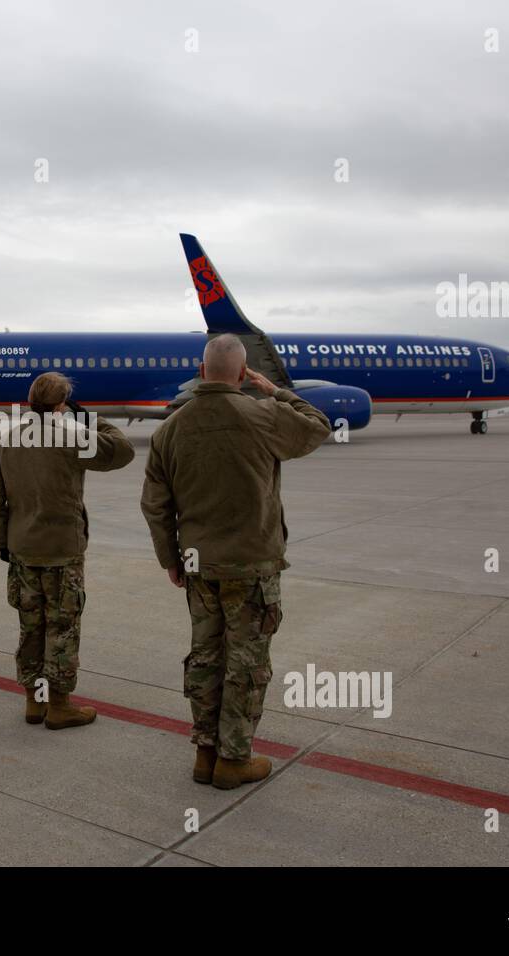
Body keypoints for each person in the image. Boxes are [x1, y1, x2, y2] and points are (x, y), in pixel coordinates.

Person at [140, 334, 331, 790]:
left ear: (202, 372)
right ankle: (234, 758)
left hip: (197, 563)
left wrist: (170, 556)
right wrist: (276, 390)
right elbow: (318, 424)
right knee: (246, 662)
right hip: (252, 565)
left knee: (205, 656)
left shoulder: (170, 428)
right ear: (243, 374)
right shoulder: (262, 413)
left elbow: (155, 504)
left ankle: (206, 753)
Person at [0, 372, 134, 728]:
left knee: (30, 626)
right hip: (62, 550)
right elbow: (122, 451)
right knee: (62, 628)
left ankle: (35, 702)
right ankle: (61, 705)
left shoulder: (7, 437)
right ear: (62, 403)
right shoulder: (73, 436)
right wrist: (89, 419)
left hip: (21, 548)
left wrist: (2, 541)